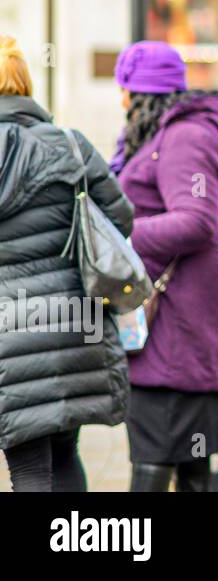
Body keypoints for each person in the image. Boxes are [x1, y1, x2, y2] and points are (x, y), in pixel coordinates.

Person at [111, 41, 218, 492]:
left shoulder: (186, 136)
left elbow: (196, 219)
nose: (122, 100)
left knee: (159, 444)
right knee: (190, 453)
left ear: (141, 93)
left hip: (181, 311)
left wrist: (120, 239)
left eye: (125, 90)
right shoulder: (173, 133)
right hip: (184, 305)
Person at [0, 37, 133, 491]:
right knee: (64, 451)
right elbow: (121, 218)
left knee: (28, 465)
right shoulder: (70, 145)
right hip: (74, 319)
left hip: (9, 330)